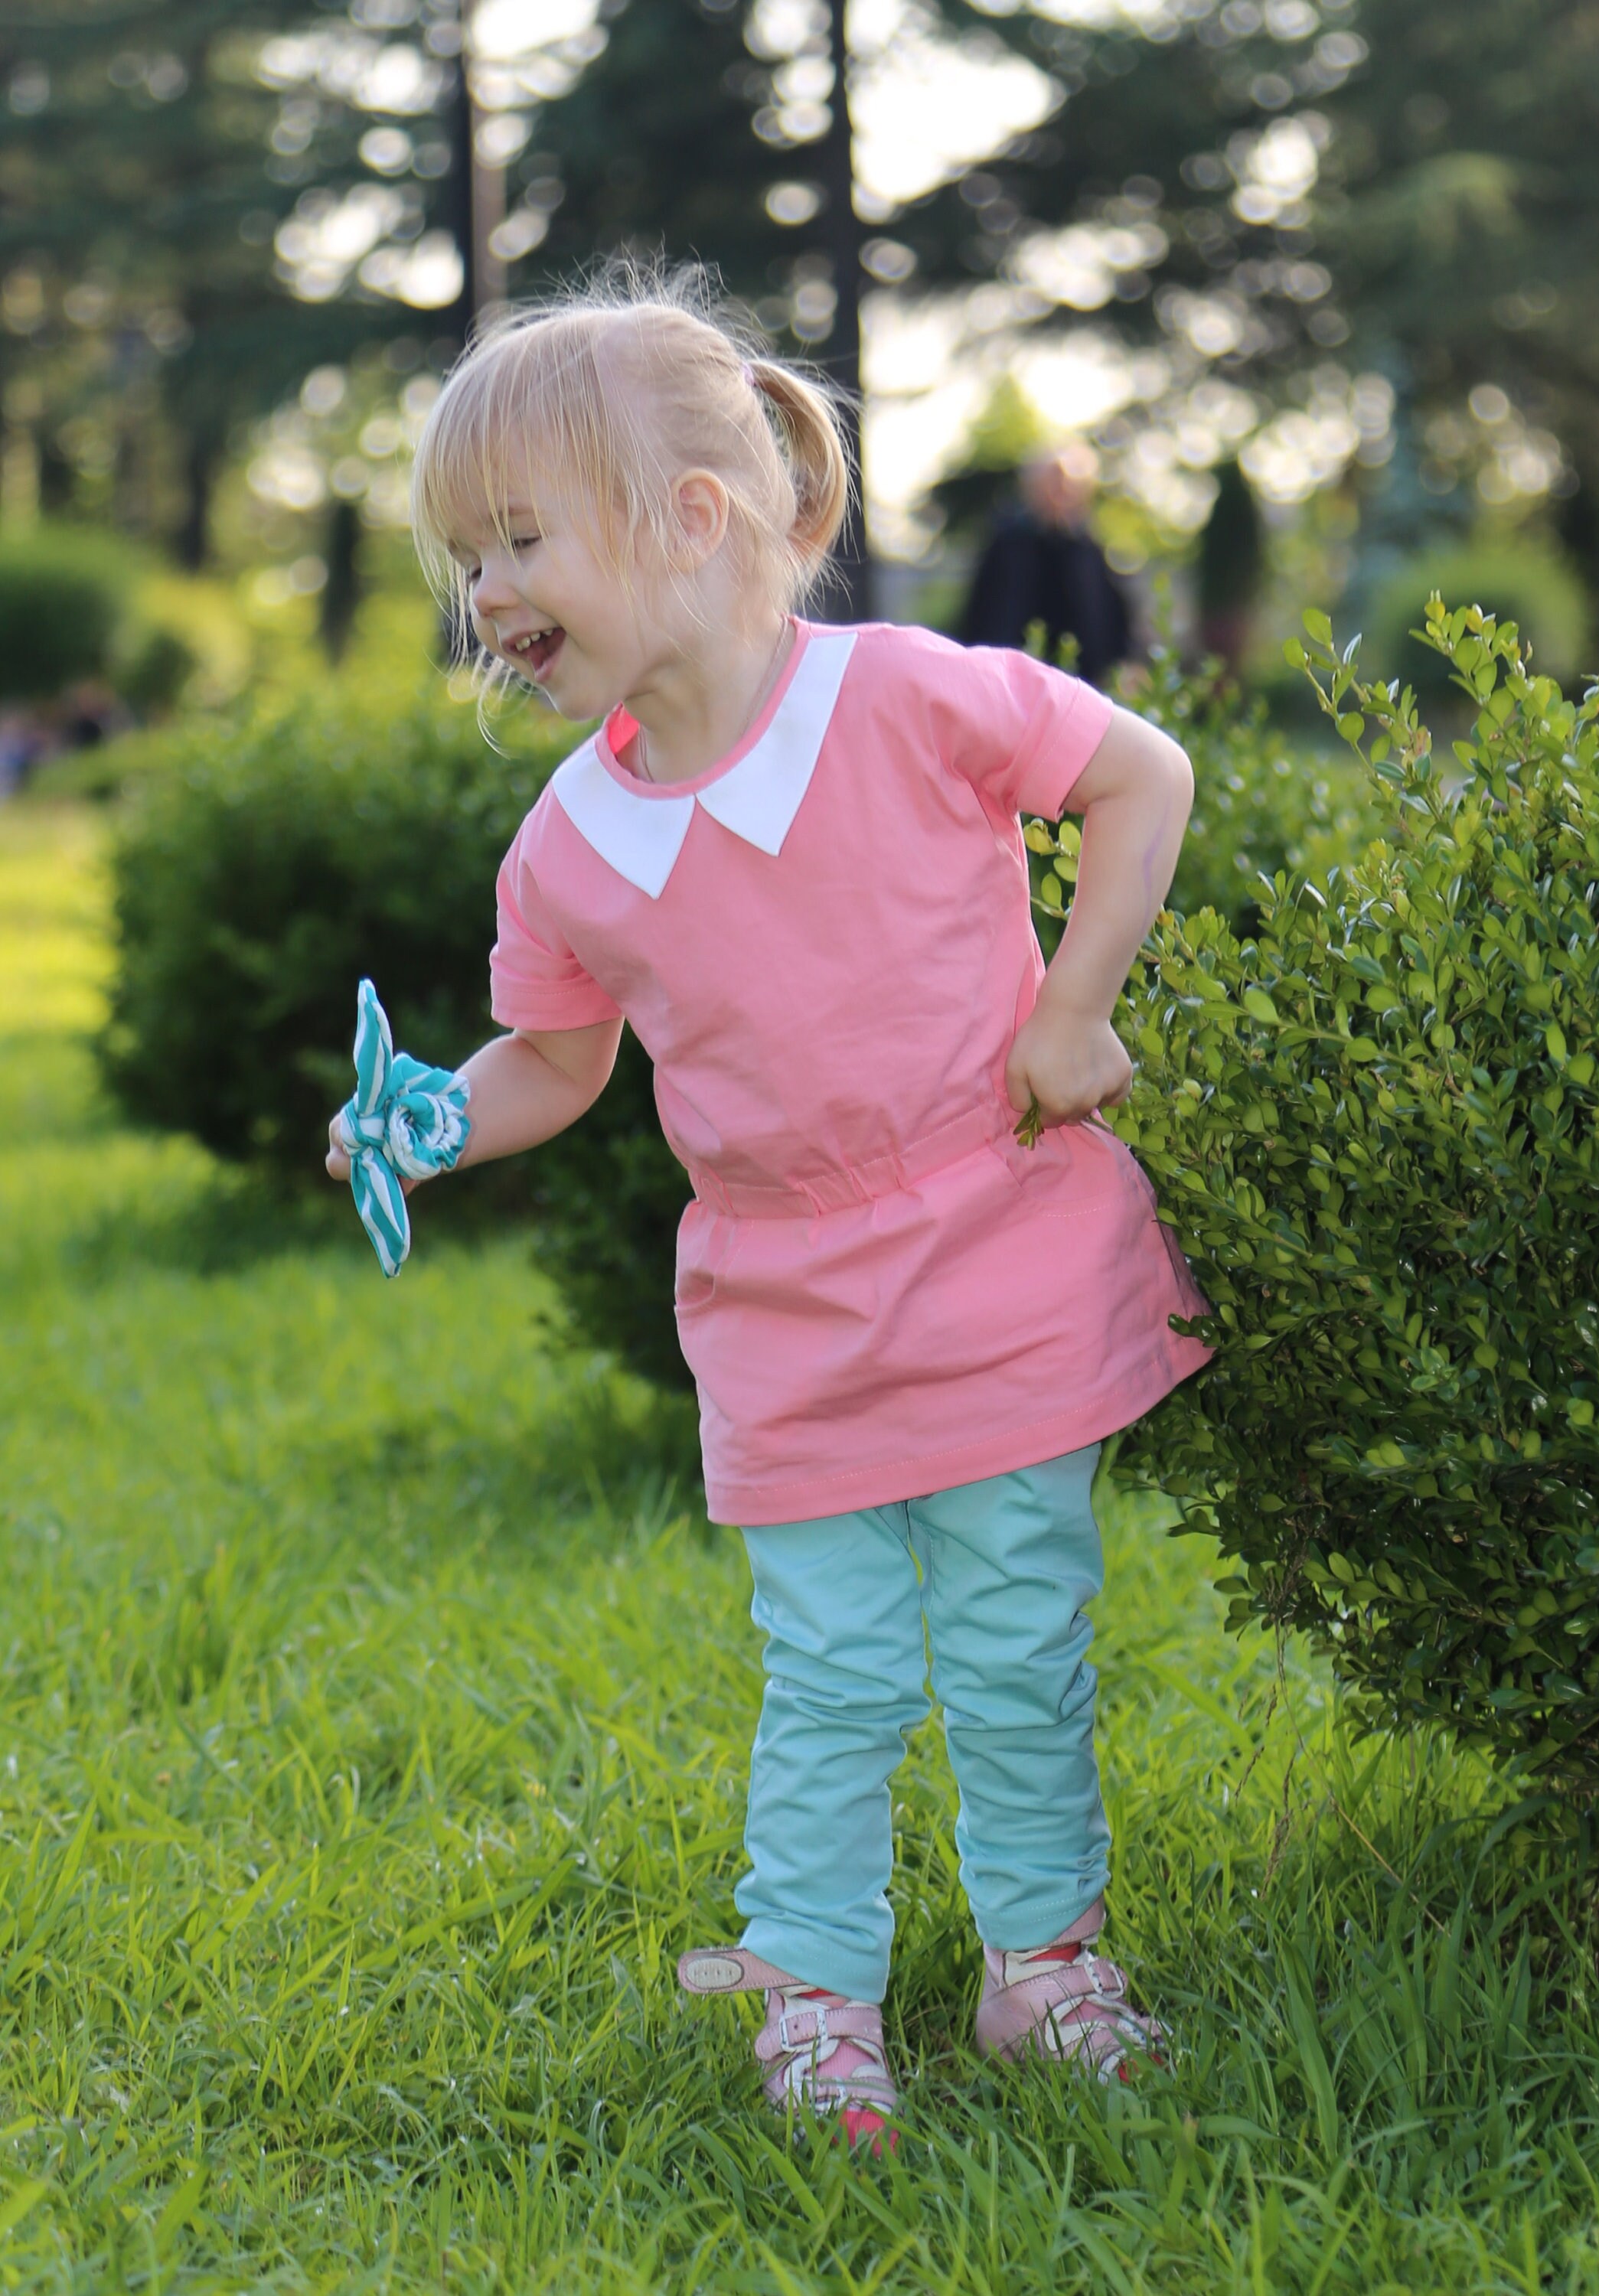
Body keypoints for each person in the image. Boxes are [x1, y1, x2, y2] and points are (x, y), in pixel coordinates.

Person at [325, 271, 1209, 2151]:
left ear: (692, 519)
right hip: (789, 1305)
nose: (482, 595)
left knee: (1013, 1634)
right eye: (464, 556)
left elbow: (1140, 774)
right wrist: (422, 1121)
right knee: (830, 1669)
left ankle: (1042, 1963)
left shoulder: (897, 697)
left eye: (516, 538)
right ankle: (815, 1991)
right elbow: (550, 1064)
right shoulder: (571, 842)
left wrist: (1073, 1006)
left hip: (999, 1247)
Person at [959, 442, 1136, 683]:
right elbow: (985, 616)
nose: (1060, 492)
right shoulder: (1009, 545)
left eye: (1068, 485)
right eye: (1053, 483)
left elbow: (1111, 620)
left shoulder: (1089, 550)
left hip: (1083, 682)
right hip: (1015, 679)